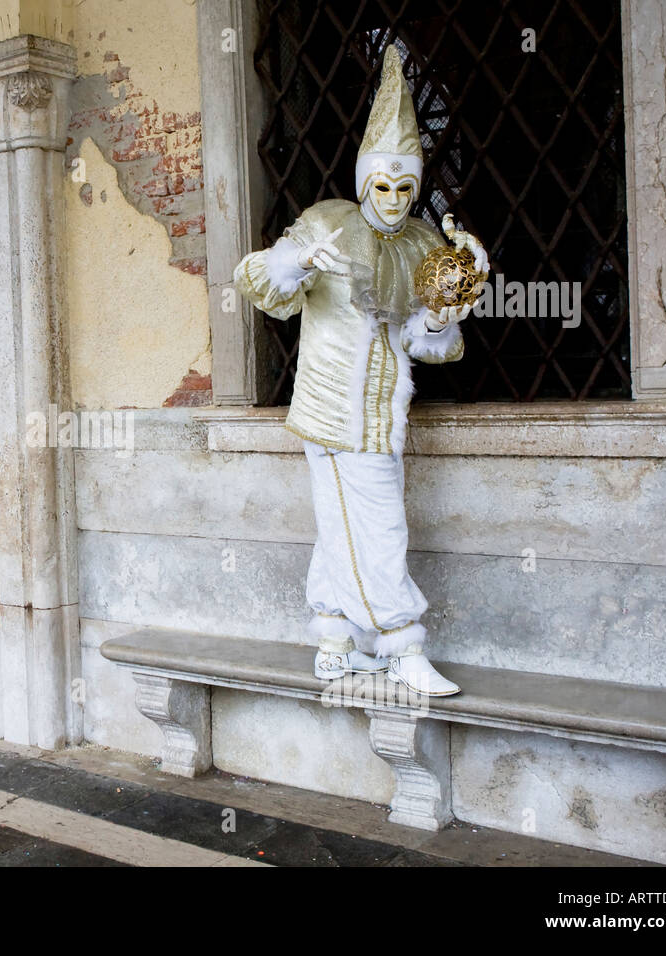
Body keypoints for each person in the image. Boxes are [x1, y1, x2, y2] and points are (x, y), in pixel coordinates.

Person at [233, 47, 488, 696]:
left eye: (407, 186)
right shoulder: (328, 223)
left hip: (383, 417)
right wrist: (299, 262)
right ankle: (401, 647)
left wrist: (437, 318)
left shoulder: (426, 243)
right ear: (362, 179)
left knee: (342, 526)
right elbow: (258, 279)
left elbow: (434, 343)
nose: (396, 198)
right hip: (334, 415)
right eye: (383, 184)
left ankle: (335, 641)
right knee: (379, 527)